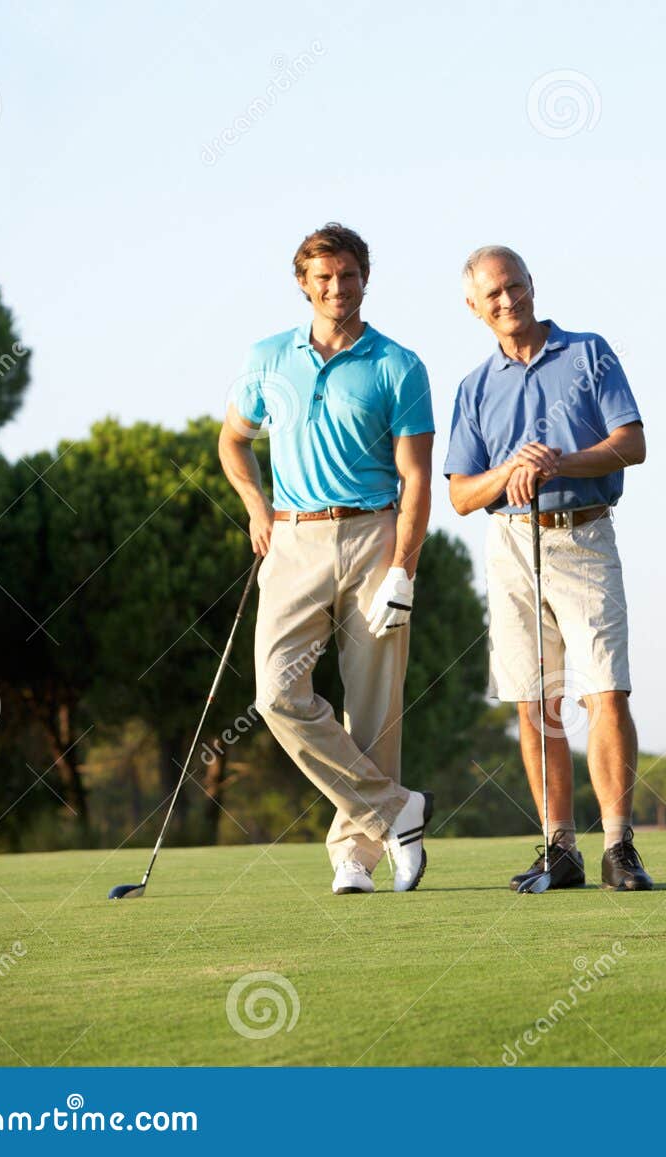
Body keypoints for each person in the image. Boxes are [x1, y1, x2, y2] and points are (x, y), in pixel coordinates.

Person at [219, 222, 436, 896]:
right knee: (276, 693)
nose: (337, 287)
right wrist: (256, 507)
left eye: (348, 275)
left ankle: (355, 857)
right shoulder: (266, 357)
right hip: (293, 538)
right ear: (302, 283)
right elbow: (233, 441)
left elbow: (417, 480)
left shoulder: (398, 364)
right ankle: (396, 809)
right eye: (324, 277)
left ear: (364, 278)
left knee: (373, 708)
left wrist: (403, 569)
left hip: (374, 537)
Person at [445, 245, 651, 892]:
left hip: (583, 534)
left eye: (515, 286)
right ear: (474, 307)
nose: (508, 300)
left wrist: (558, 461)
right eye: (494, 294)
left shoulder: (589, 353)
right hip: (511, 545)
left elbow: (632, 444)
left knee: (606, 690)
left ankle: (618, 847)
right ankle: (559, 850)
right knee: (536, 701)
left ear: (531, 284)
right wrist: (510, 470)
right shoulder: (474, 387)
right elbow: (460, 495)